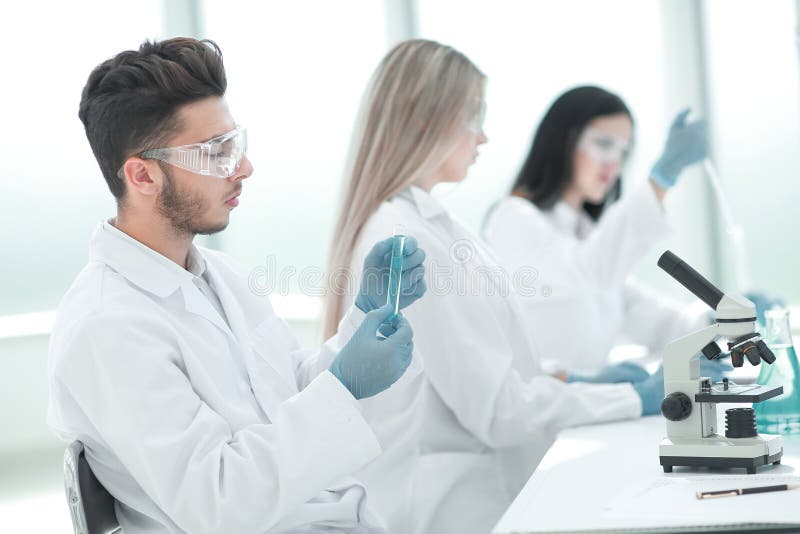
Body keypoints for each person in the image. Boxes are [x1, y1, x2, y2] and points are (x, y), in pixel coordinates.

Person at [46, 37, 426, 534]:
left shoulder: (226, 278)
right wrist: (345, 386)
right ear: (142, 176)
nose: (243, 168)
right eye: (216, 152)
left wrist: (363, 318)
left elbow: (289, 400)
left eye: (236, 144)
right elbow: (218, 503)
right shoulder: (107, 327)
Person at [322, 40, 667, 534]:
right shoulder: (409, 239)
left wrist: (582, 380)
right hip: (455, 504)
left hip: (486, 486)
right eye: (473, 116)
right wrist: (633, 398)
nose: (482, 137)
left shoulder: (437, 226)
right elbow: (497, 410)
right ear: (427, 120)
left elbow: (486, 365)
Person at [482, 86, 780, 382]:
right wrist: (662, 178)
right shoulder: (513, 220)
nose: (614, 162)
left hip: (582, 414)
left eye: (623, 150)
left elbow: (662, 325)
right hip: (540, 412)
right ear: (563, 141)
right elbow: (591, 270)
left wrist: (720, 319)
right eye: (603, 143)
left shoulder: (584, 233)